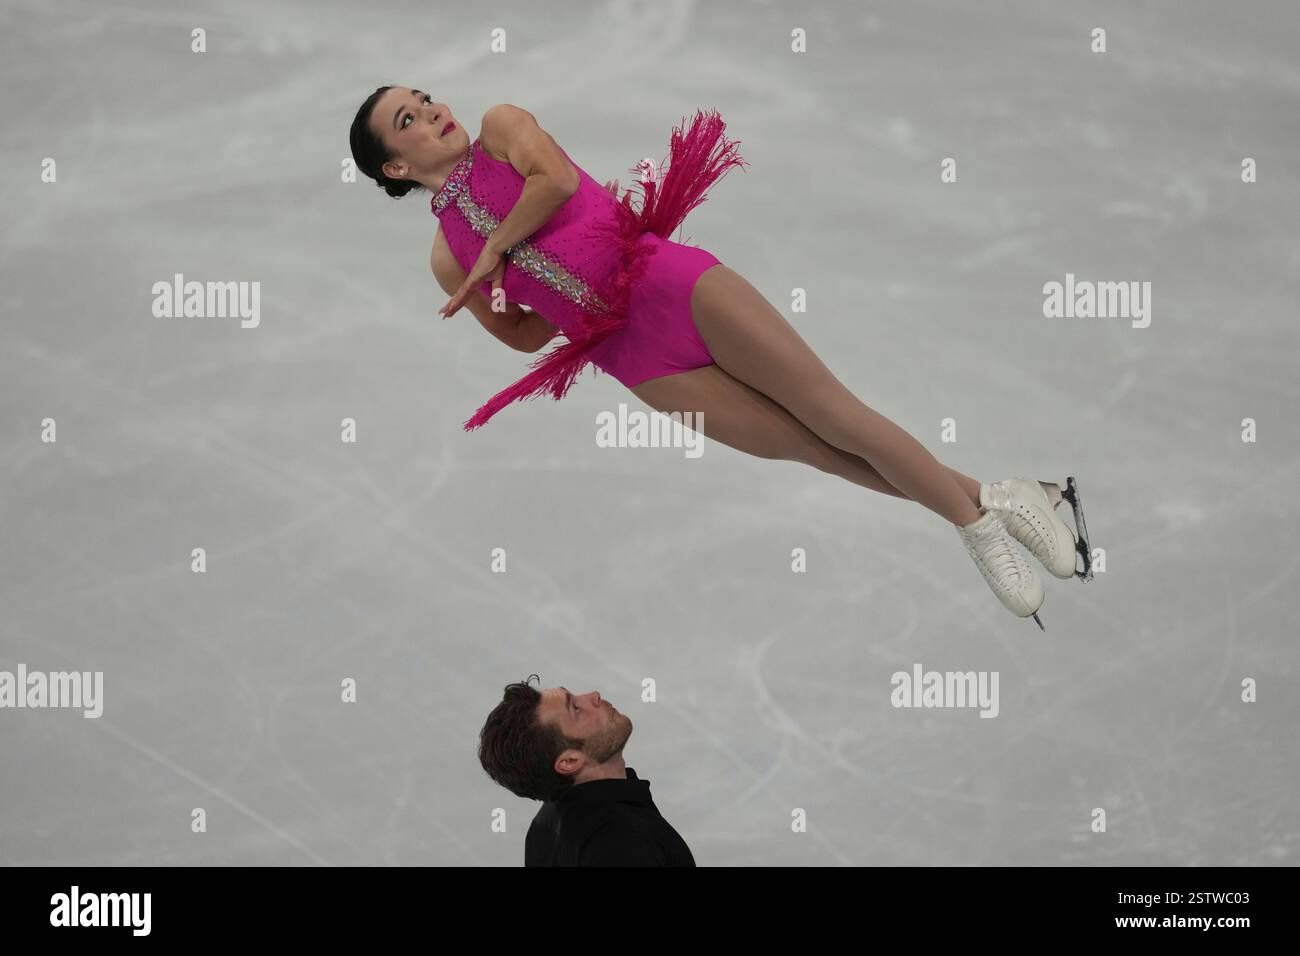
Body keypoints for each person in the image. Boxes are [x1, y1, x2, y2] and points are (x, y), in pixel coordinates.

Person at [348, 87, 1096, 626]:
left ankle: (975, 528)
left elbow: (557, 182)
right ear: (395, 169)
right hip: (634, 357)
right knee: (815, 452)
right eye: (407, 120)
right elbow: (524, 336)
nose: (432, 109)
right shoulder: (451, 260)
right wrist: (513, 300)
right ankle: (1002, 498)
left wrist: (502, 251)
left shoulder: (501, 125)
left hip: (672, 284)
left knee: (835, 415)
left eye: (422, 97)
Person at [477, 676, 695, 867]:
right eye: (575, 709)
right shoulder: (624, 844)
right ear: (570, 761)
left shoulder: (545, 824)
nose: (594, 696)